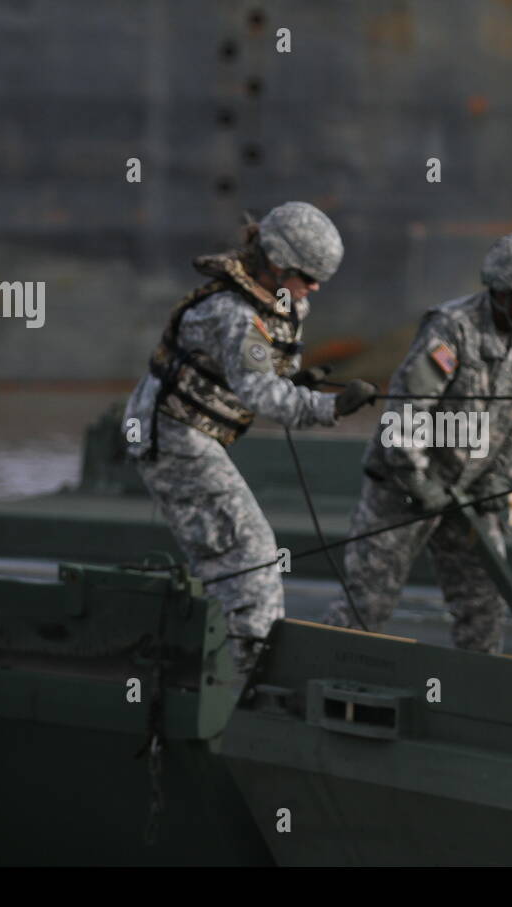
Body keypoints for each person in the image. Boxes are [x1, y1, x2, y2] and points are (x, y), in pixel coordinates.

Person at [122, 201, 377, 672]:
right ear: (277, 262)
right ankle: (247, 673)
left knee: (234, 557)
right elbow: (262, 393)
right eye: (308, 275)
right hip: (174, 435)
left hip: (194, 432)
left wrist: (296, 383)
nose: (315, 287)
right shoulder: (237, 315)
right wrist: (330, 408)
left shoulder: (280, 296)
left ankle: (228, 666)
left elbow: (270, 372)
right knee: (247, 554)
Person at [320, 230, 512, 653]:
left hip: (470, 487)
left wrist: (501, 476)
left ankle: (474, 699)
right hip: (402, 486)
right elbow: (408, 408)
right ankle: (319, 676)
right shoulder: (452, 328)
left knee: (484, 603)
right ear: (503, 292)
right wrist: (417, 480)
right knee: (368, 602)